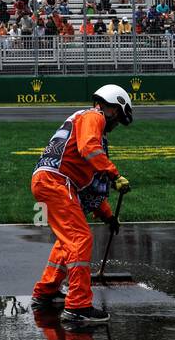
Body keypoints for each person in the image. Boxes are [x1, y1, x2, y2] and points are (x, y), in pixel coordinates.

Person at [30, 84, 133, 325]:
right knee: (80, 239)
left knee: (67, 241)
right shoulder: (93, 116)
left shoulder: (85, 120)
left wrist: (108, 216)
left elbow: (90, 190)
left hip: (51, 180)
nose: (115, 125)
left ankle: (46, 292)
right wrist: (114, 174)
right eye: (118, 118)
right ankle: (78, 306)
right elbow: (90, 149)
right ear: (114, 109)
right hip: (56, 181)